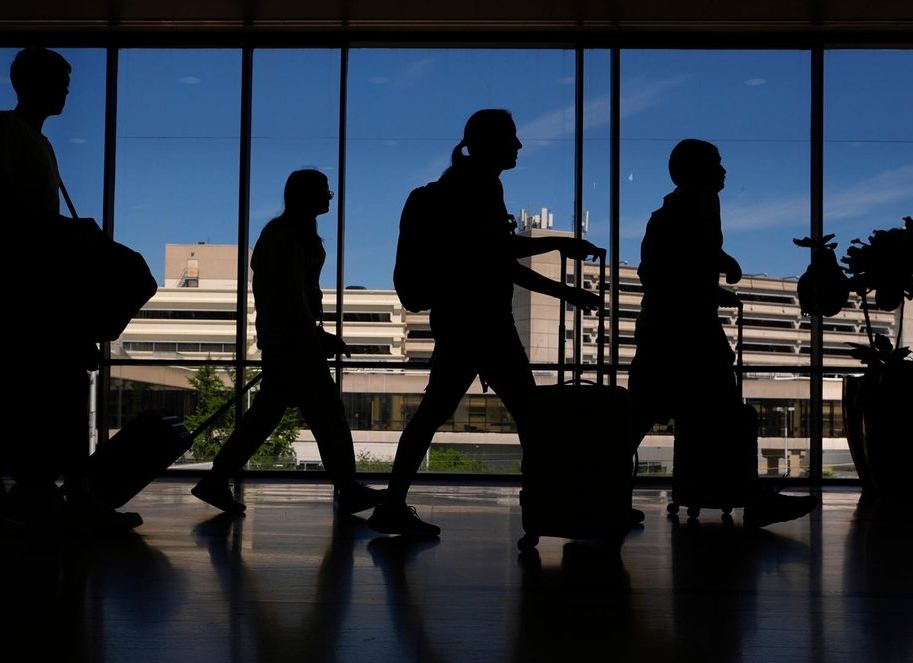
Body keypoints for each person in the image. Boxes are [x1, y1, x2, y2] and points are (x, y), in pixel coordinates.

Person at [368, 109, 604, 537]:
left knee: (434, 414)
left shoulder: (463, 186)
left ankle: (393, 503)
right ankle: (551, 509)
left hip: (461, 321)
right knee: (528, 418)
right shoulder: (477, 188)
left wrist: (560, 259)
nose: (518, 146)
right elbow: (497, 257)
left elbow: (493, 255)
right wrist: (561, 256)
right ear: (489, 143)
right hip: (484, 323)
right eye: (511, 138)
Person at [0, 47, 140, 532]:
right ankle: (45, 495)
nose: (67, 91)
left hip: (27, 284)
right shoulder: (5, 128)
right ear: (31, 84)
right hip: (15, 287)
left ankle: (18, 494)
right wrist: (65, 230)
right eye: (60, 82)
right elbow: (1, 207)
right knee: (17, 391)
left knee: (36, 391)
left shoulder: (32, 140)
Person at [628, 139, 816, 528]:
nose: (724, 169)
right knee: (726, 411)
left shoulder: (665, 212)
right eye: (716, 162)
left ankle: (595, 492)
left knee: (641, 415)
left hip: (661, 326)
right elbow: (697, 251)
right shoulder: (701, 200)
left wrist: (710, 286)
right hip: (689, 331)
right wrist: (723, 262)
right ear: (698, 170)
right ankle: (749, 496)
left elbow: (661, 272)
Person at [191, 170, 385, 516]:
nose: (330, 196)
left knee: (266, 418)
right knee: (327, 416)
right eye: (325, 190)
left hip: (286, 341)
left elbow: (288, 298)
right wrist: (315, 337)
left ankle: (217, 479)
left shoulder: (285, 235)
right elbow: (293, 300)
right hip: (294, 343)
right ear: (307, 195)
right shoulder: (289, 237)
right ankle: (347, 487)